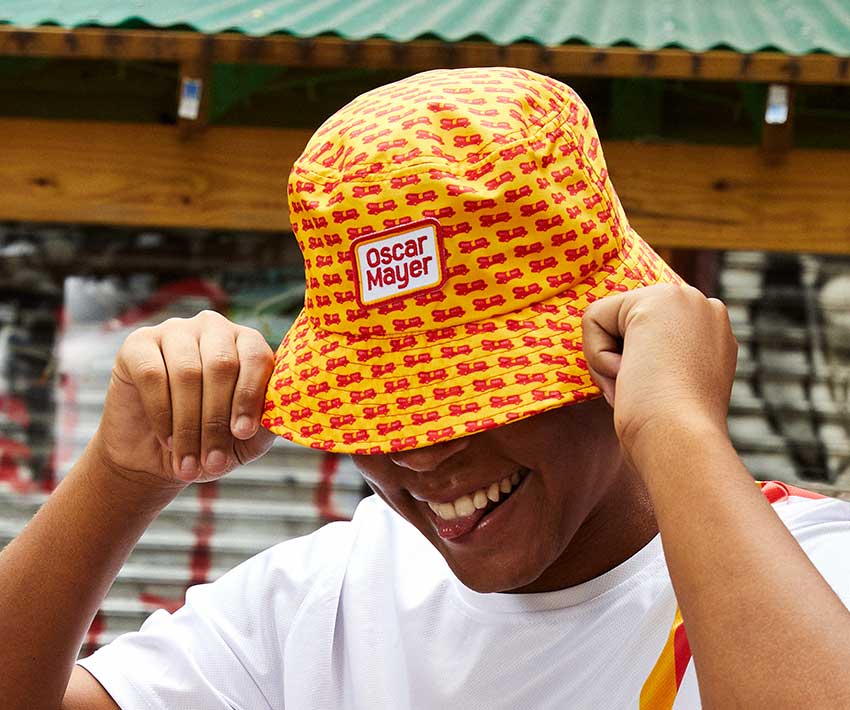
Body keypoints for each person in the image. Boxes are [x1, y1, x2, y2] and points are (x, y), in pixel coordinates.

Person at [2, 67, 850, 710]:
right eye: (378, 406)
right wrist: (118, 480)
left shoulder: (816, 576)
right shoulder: (328, 604)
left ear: (623, 348)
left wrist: (678, 430)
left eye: (485, 394)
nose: (421, 449)